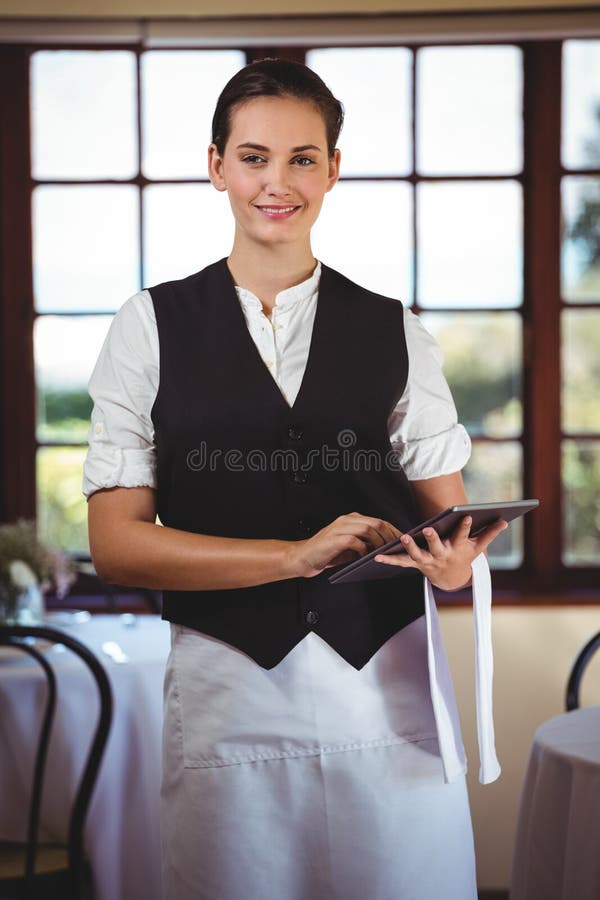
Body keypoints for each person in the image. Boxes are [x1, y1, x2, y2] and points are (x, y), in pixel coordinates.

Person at [83, 57, 507, 900]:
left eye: (303, 158)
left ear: (334, 170)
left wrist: (458, 569)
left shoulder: (398, 330)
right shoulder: (148, 328)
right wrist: (292, 557)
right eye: (254, 157)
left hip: (385, 695)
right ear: (216, 167)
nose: (278, 182)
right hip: (227, 694)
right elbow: (116, 546)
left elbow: (451, 529)